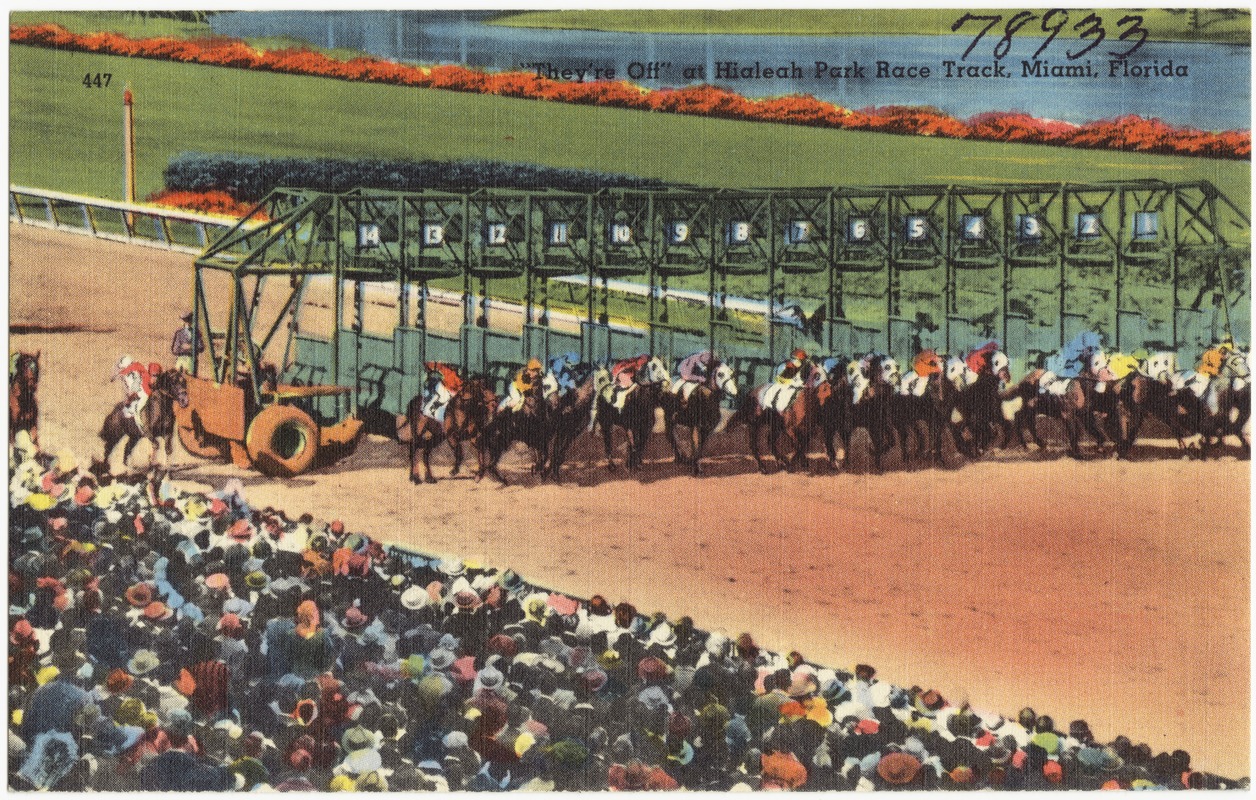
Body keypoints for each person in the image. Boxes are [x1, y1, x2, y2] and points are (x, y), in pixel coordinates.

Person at [113, 356, 159, 428]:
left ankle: (140, 426)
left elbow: (129, 369)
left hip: (145, 393)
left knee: (137, 410)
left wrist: (119, 374)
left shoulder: (136, 368)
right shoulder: (137, 367)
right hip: (143, 391)